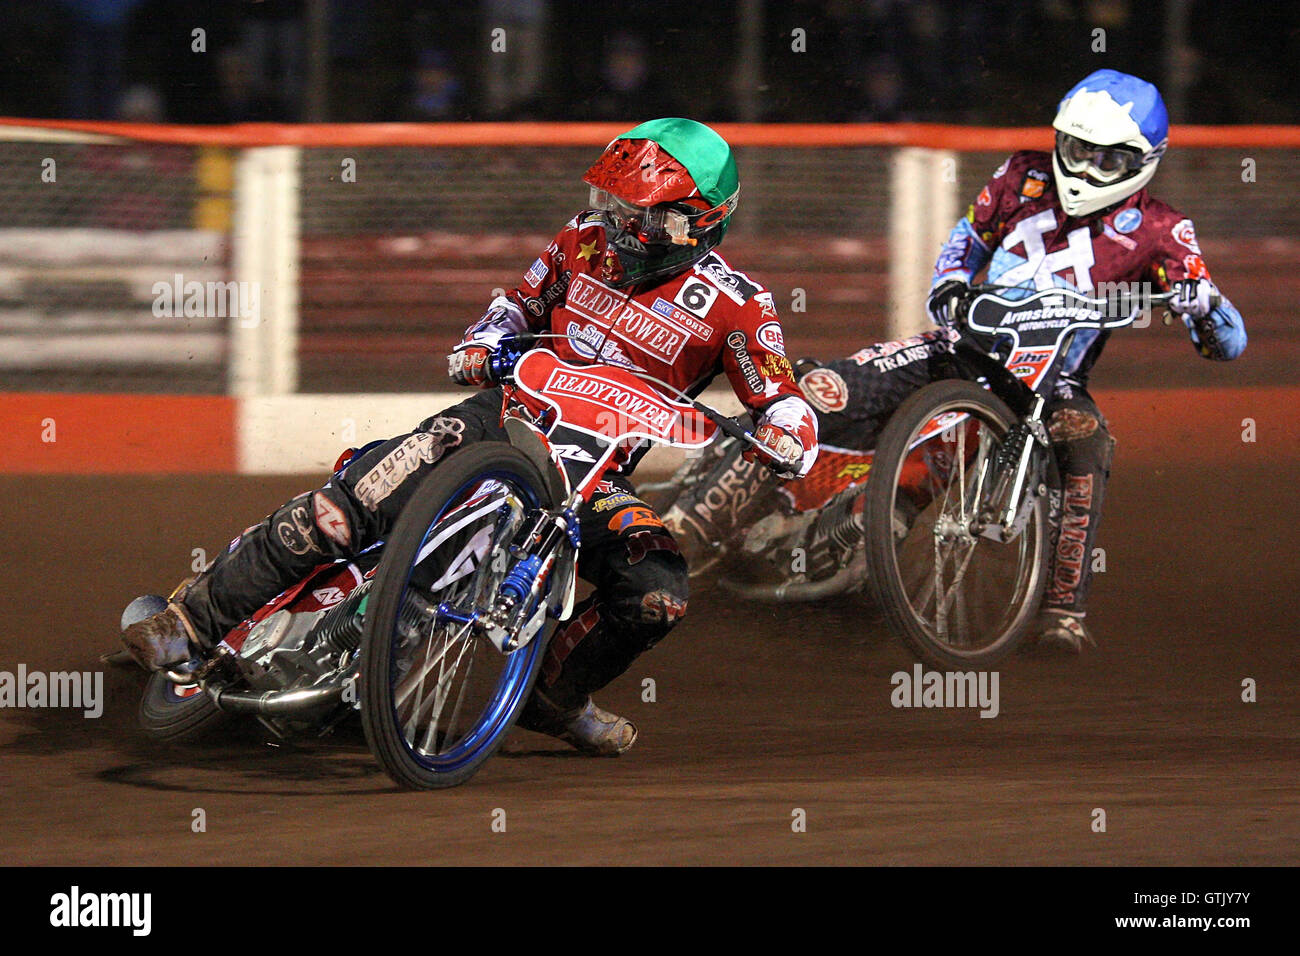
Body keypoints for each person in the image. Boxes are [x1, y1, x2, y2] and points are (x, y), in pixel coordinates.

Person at [121, 118, 820, 754]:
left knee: (657, 589)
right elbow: (515, 308)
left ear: (694, 221)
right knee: (347, 505)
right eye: (613, 204)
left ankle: (552, 695)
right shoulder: (580, 241)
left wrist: (787, 434)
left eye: (636, 213)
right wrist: (485, 344)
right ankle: (192, 619)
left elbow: (784, 399)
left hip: (593, 474)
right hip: (503, 418)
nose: (614, 223)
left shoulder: (740, 306)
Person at [673, 70, 1247, 656]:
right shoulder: (1024, 173)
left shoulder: (1165, 231)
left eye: (1108, 159)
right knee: (818, 387)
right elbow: (969, 237)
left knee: (1087, 440)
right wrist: (950, 284)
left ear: (1144, 162)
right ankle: (690, 526)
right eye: (1078, 150)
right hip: (956, 348)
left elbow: (1227, 343)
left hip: (1050, 383)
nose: (1087, 168)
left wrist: (1205, 307)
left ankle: (1062, 611)